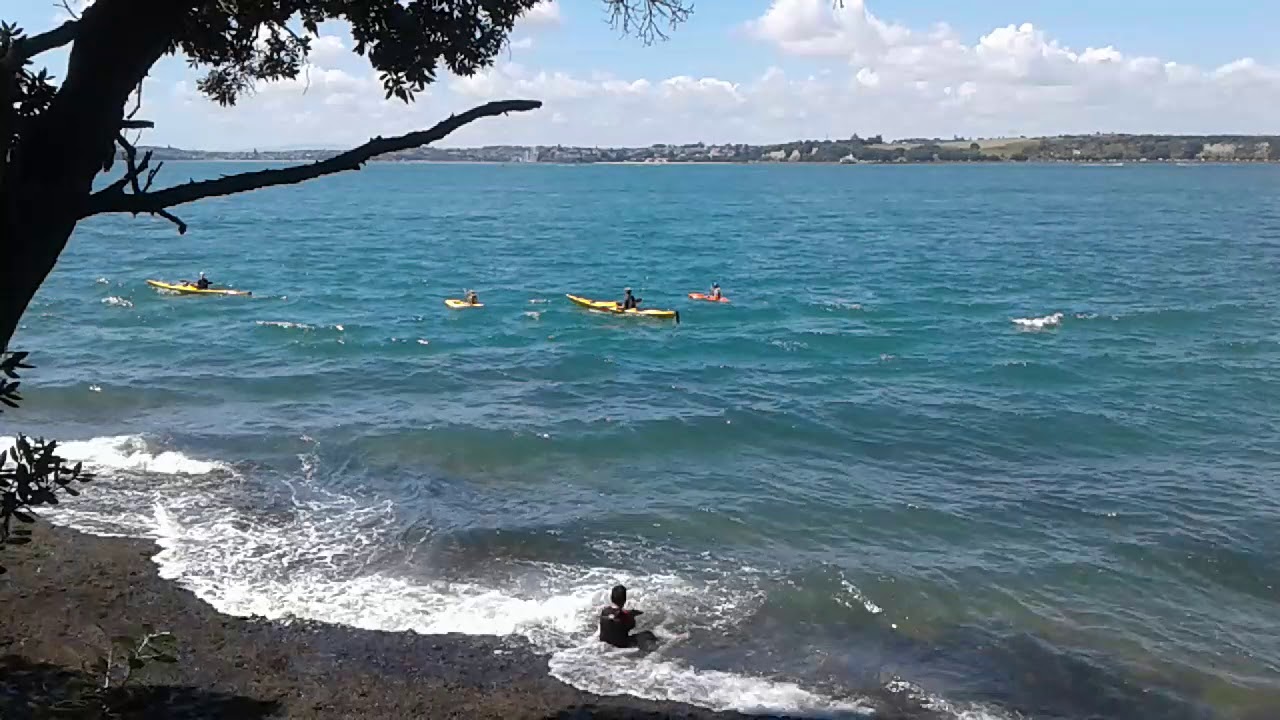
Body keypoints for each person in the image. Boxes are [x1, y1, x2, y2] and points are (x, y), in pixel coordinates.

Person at [598, 584, 656, 649]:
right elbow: (632, 625)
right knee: (648, 634)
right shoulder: (625, 615)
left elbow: (615, 615)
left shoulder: (604, 611)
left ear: (611, 598)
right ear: (624, 600)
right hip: (621, 645)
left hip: (605, 642)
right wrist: (632, 616)